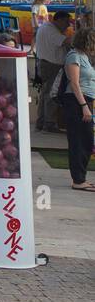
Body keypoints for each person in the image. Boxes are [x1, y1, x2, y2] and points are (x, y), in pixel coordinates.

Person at [59, 26, 95, 190]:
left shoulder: (84, 57)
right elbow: (74, 83)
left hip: (85, 101)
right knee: (79, 141)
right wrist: (83, 106)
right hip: (76, 102)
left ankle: (81, 178)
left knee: (87, 141)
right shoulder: (74, 56)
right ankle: (78, 180)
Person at [34, 10, 71, 132]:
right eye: (66, 22)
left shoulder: (46, 27)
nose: (68, 25)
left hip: (46, 63)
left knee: (46, 93)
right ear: (59, 20)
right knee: (51, 94)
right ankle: (49, 123)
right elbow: (67, 42)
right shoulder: (51, 29)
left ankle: (42, 121)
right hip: (51, 65)